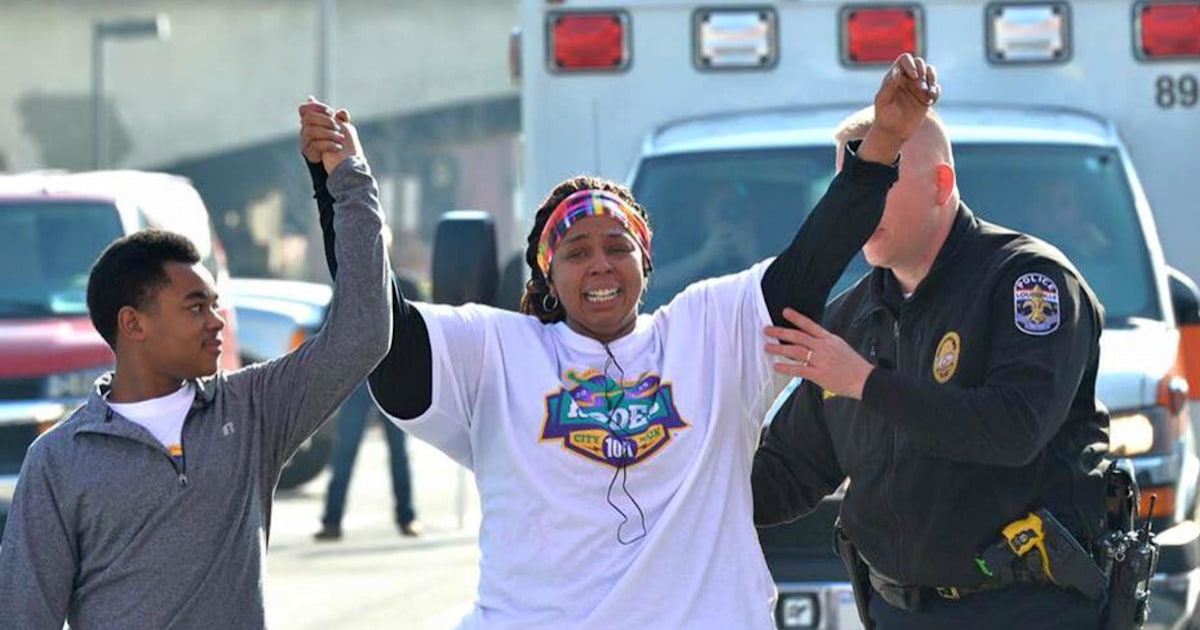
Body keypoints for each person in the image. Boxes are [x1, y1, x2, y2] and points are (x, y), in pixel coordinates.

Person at [301, 55, 939, 628]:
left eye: (618, 247)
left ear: (646, 261)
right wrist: (345, 192)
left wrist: (882, 144)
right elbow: (383, 337)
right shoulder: (499, 352)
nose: (600, 265)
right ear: (548, 273)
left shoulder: (708, 331)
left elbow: (814, 258)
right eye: (576, 252)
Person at [0, 106, 391, 628]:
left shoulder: (254, 409)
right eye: (194, 307)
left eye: (213, 303)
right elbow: (24, 617)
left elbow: (363, 333)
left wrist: (348, 182)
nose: (217, 321)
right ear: (133, 324)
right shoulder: (58, 460)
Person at [752, 104, 1109, 629]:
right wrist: (666, 481)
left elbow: (1014, 429)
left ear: (941, 185)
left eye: (880, 186)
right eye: (851, 191)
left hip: (1027, 608)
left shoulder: (1027, 282)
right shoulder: (849, 318)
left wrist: (864, 383)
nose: (860, 209)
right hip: (897, 611)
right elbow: (791, 472)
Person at [313, 272, 424, 541]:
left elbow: (422, 331)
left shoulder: (406, 287)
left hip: (395, 377)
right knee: (345, 450)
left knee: (399, 451)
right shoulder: (347, 287)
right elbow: (327, 333)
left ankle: (407, 517)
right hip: (358, 381)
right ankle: (332, 521)